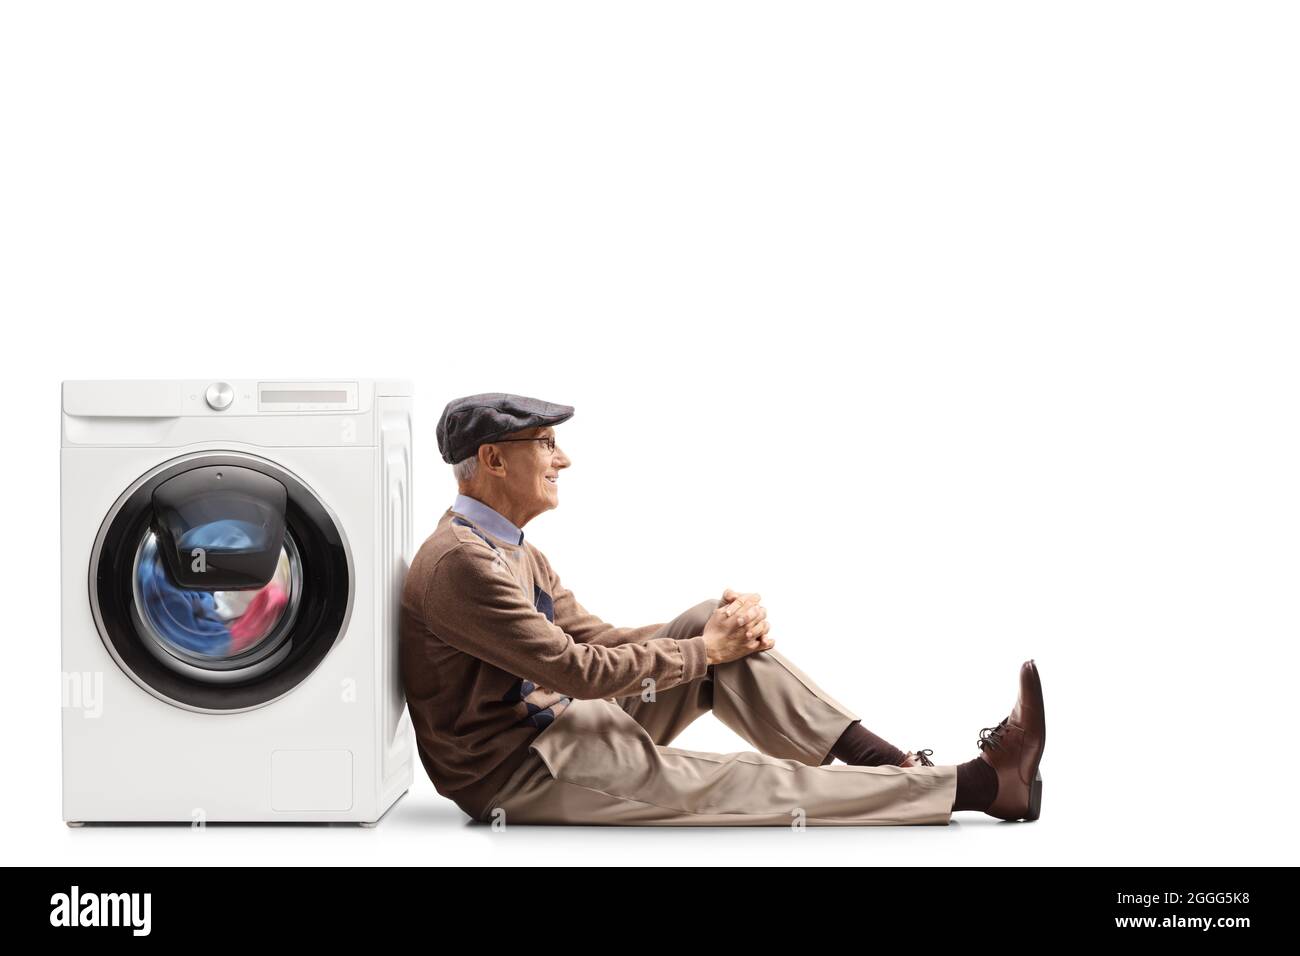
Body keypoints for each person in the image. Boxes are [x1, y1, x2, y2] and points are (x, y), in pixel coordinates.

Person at [399, 392, 1046, 825]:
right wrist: (704, 651)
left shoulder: (510, 547)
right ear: (491, 459)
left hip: (558, 722)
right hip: (521, 769)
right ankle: (981, 787)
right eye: (544, 443)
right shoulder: (463, 564)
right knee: (740, 782)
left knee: (706, 621)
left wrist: (714, 636)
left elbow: (599, 637)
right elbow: (574, 669)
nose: (562, 458)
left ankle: (895, 765)